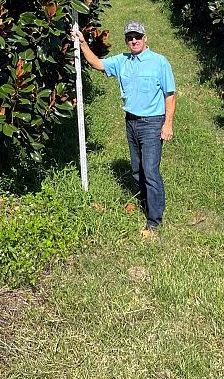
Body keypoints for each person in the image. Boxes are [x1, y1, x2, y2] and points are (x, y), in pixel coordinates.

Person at [72, 20, 176, 231]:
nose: (134, 41)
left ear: (145, 38)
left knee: (150, 170)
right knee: (137, 170)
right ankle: (147, 204)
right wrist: (82, 43)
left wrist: (168, 125)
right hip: (131, 122)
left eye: (137, 37)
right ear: (126, 41)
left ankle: (154, 221)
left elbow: (170, 95)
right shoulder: (122, 61)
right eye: (130, 38)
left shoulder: (159, 62)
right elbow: (97, 64)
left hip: (153, 123)